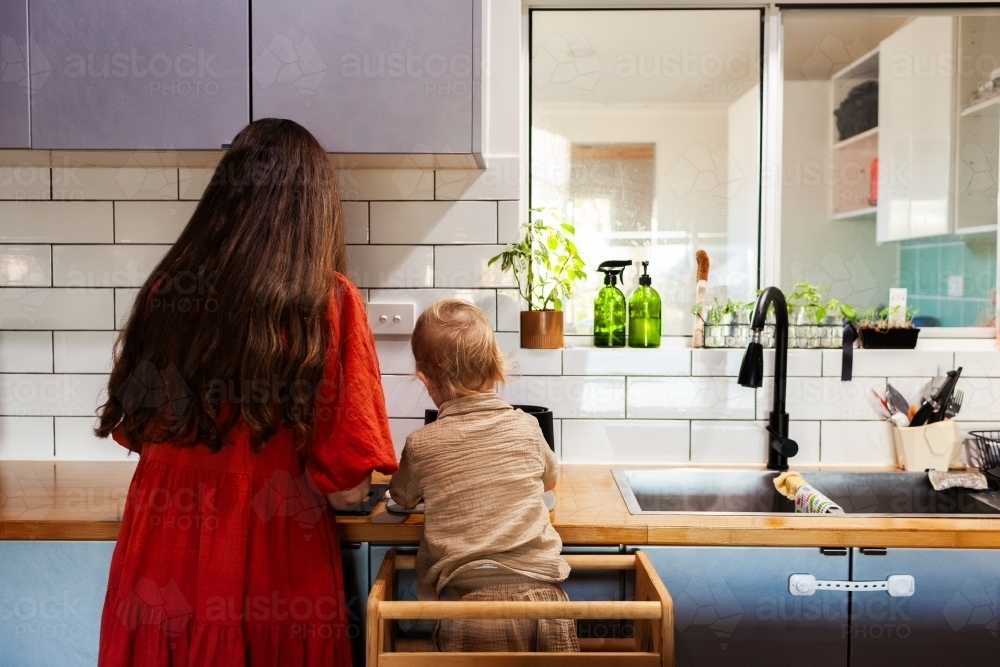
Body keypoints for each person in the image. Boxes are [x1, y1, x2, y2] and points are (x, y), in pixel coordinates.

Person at [94, 118, 398, 666]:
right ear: (317, 208)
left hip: (159, 549)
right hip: (270, 555)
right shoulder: (327, 303)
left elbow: (136, 429)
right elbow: (347, 488)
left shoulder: (167, 291)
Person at [388, 300, 579, 652]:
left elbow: (402, 496)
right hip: (546, 604)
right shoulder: (526, 426)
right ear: (495, 365)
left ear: (425, 378)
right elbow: (550, 479)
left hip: (469, 609)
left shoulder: (421, 444)